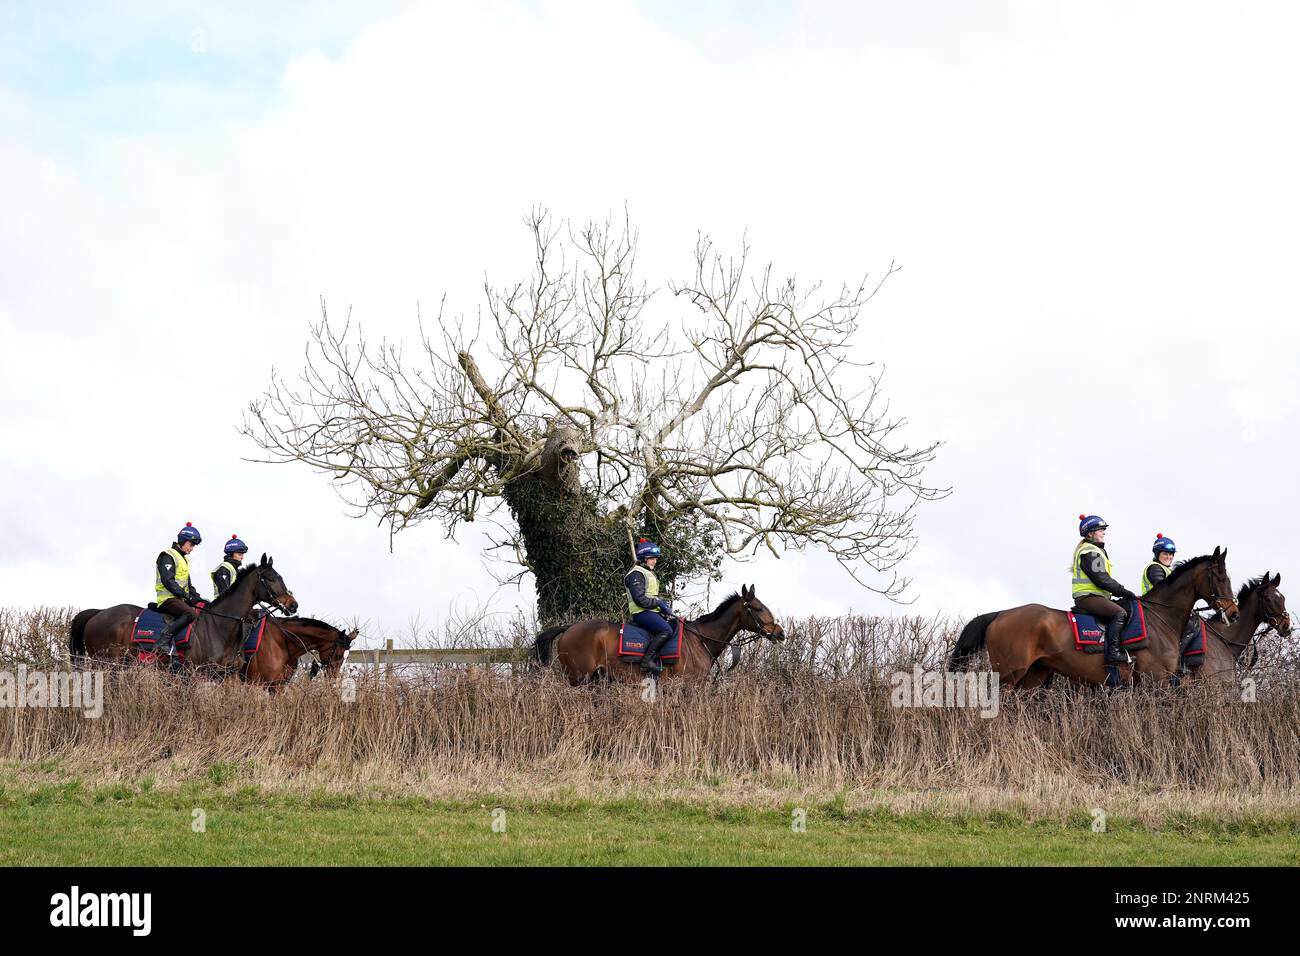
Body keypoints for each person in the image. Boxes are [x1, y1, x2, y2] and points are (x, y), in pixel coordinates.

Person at [1071, 514, 1137, 684]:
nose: (1103, 532)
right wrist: (1123, 591)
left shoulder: (1097, 550)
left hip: (1097, 596)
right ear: (1089, 534)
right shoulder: (1089, 551)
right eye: (1100, 530)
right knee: (1119, 613)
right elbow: (1101, 578)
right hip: (1088, 597)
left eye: (1103, 530)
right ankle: (1113, 652)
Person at [154, 522, 207, 670]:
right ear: (183, 541)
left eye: (193, 546)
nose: (191, 549)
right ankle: (163, 640)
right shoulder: (167, 556)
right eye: (191, 545)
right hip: (167, 599)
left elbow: (188, 585)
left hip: (179, 598)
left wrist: (197, 597)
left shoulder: (184, 560)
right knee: (190, 613)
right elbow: (167, 580)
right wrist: (185, 596)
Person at [625, 538, 675, 674]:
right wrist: (659, 602)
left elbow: (652, 596)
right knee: (666, 631)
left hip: (651, 612)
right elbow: (640, 599)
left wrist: (663, 606)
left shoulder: (648, 572)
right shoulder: (636, 574)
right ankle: (647, 661)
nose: (655, 561)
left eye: (655, 558)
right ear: (644, 558)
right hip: (641, 612)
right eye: (652, 558)